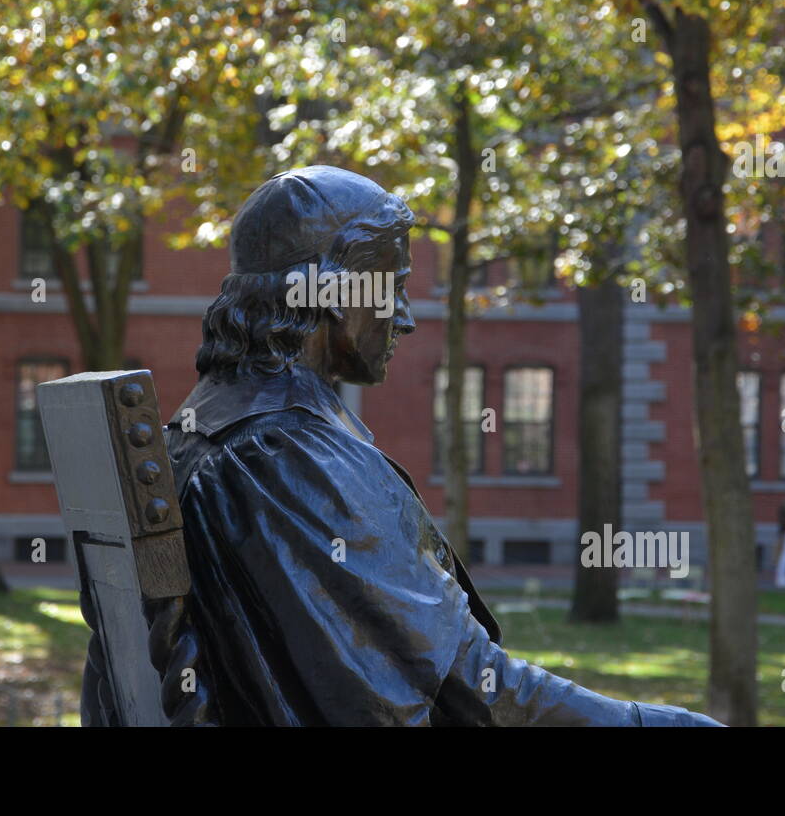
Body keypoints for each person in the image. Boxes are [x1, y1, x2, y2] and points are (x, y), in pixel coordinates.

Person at [80, 165, 721, 726]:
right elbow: (475, 695)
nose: (406, 317)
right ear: (334, 293)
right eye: (395, 287)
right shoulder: (293, 460)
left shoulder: (197, 435)